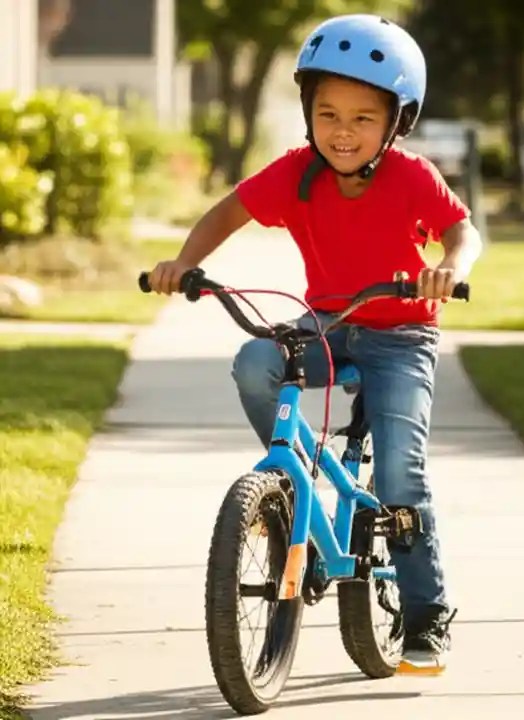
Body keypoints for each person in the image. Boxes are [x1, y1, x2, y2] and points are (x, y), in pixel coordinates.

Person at [145, 14, 483, 675]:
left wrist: (453, 269)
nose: (342, 131)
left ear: (396, 123)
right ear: (307, 112)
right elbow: (226, 212)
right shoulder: (298, 171)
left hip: (400, 333)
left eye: (363, 117)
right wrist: (184, 262)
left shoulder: (411, 177)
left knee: (398, 476)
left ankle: (426, 612)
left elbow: (462, 231)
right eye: (328, 113)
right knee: (254, 363)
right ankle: (291, 479)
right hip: (326, 324)